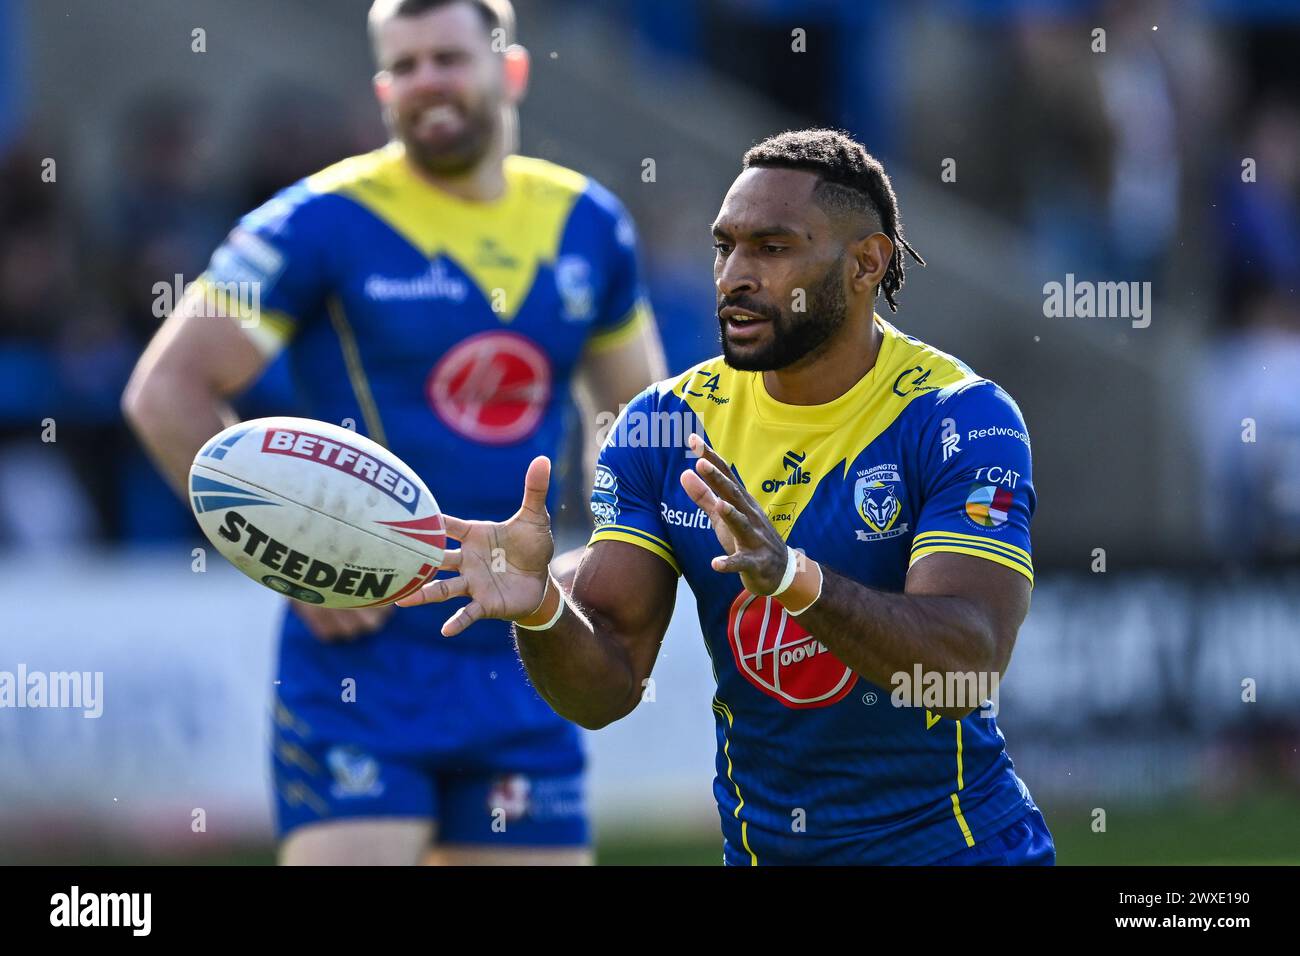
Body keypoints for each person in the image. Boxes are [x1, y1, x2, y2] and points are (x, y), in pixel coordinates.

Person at [399, 128, 1055, 865]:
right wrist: (544, 610)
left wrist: (794, 580)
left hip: (957, 851)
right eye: (725, 246)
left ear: (867, 262)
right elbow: (605, 688)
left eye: (772, 248)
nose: (733, 276)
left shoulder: (958, 416)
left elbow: (962, 667)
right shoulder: (662, 427)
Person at [122, 0, 664, 865]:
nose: (427, 85)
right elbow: (165, 391)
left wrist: (601, 563)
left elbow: (634, 418)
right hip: (361, 663)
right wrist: (283, 557)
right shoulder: (314, 221)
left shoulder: (590, 225)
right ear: (382, 89)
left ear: (509, 71)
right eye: (404, 67)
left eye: (448, 58)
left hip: (526, 655)